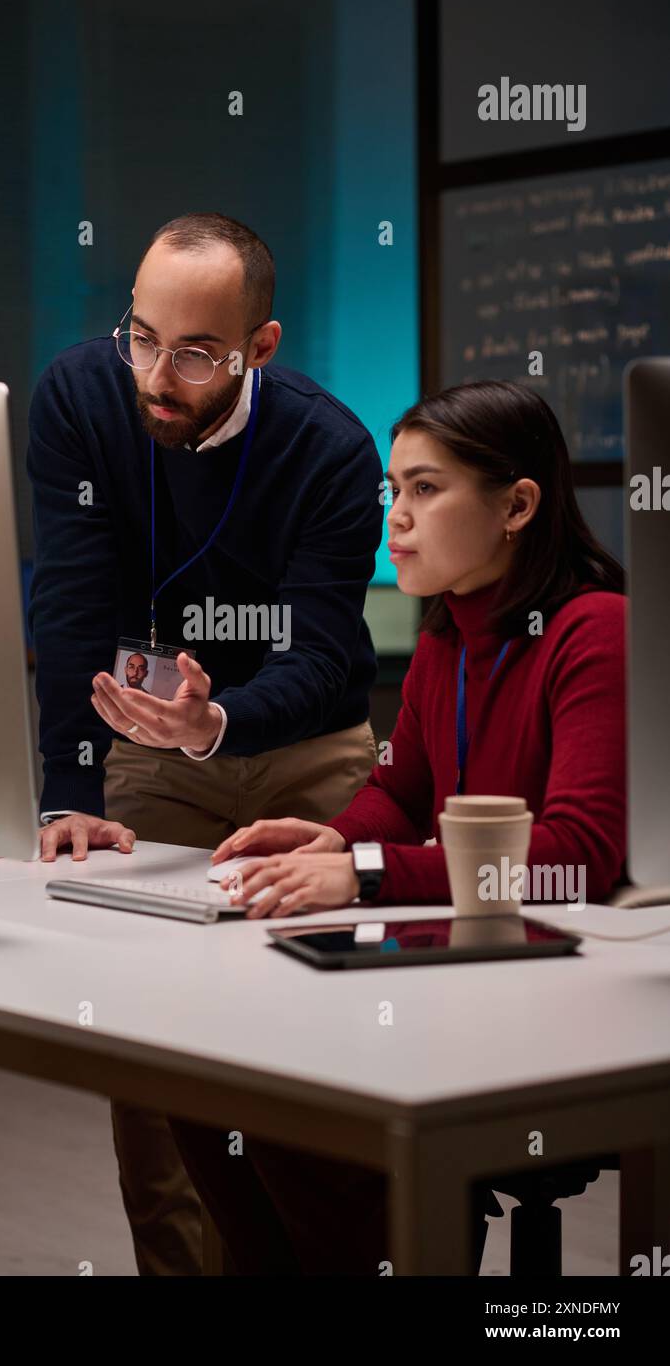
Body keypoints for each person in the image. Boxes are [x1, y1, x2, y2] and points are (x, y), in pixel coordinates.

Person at [168, 378, 627, 1274]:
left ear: (518, 506)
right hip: (458, 967)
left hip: (557, 989)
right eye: (393, 490)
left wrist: (370, 874)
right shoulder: (447, 642)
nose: (398, 516)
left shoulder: (593, 632)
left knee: (289, 1105)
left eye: (426, 488)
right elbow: (401, 796)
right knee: (203, 1075)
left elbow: (578, 856)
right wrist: (331, 839)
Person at [26, 213, 384, 1274]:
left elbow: (323, 656)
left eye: (195, 352)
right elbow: (73, 608)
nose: (156, 374)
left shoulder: (330, 446)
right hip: (147, 739)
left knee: (315, 1053)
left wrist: (217, 720)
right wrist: (66, 791)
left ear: (257, 350)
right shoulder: (80, 399)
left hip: (307, 748)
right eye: (140, 336)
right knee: (154, 1067)